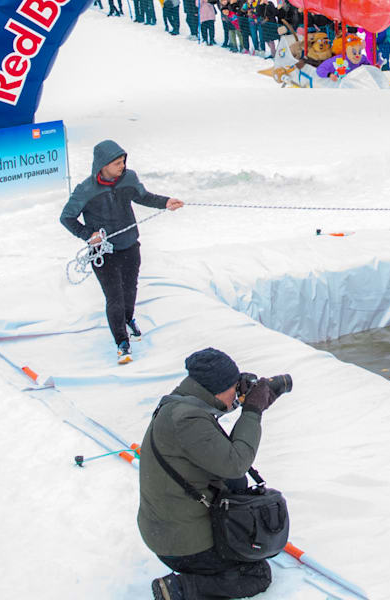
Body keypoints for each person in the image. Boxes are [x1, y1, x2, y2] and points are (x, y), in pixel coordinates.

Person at [139, 348, 279, 600]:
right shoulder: (189, 420)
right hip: (181, 545)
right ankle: (181, 589)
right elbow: (236, 463)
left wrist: (238, 395)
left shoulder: (181, 401)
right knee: (257, 573)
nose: (236, 393)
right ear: (217, 388)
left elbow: (211, 412)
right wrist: (252, 410)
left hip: (166, 528)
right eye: (233, 387)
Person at [58, 141, 183, 365]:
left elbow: (144, 196)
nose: (122, 166)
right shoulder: (85, 190)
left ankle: (128, 319)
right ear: (102, 165)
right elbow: (66, 218)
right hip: (104, 252)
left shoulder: (129, 178)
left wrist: (166, 202)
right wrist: (88, 234)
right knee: (114, 296)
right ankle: (121, 342)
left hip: (130, 244)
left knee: (130, 289)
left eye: (123, 161)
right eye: (117, 163)